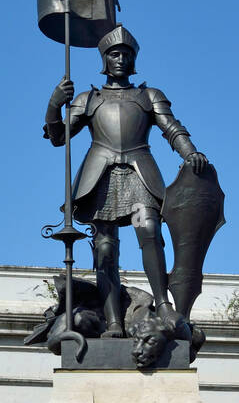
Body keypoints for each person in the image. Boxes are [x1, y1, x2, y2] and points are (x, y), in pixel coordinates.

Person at [43, 25, 208, 336]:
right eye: (114, 54)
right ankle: (114, 321)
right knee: (105, 248)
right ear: (104, 59)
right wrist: (54, 104)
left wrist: (190, 153)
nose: (120, 59)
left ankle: (162, 303)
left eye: (126, 54)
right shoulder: (89, 98)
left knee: (149, 231)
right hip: (100, 174)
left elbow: (171, 128)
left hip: (139, 170)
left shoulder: (148, 95)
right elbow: (57, 137)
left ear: (133, 60)